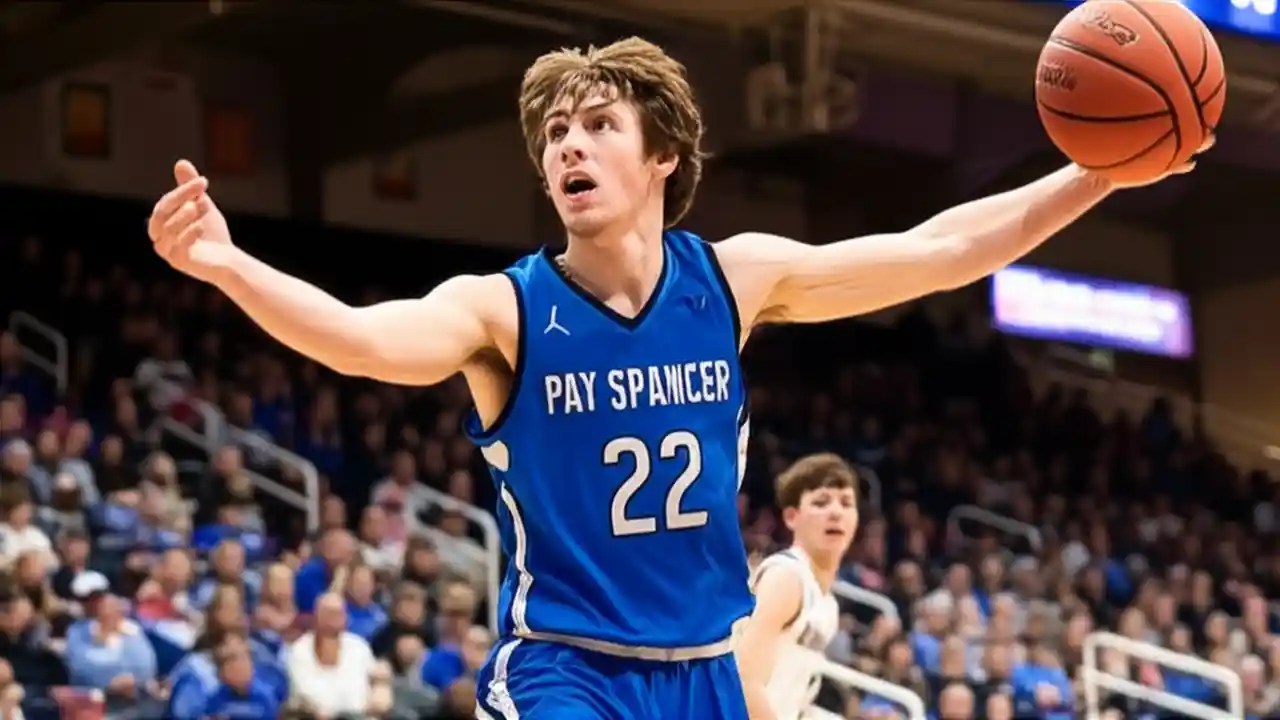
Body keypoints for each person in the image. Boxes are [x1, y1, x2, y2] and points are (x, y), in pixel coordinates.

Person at [145, 36, 1209, 720]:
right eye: (555, 132)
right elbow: (358, 341)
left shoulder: (732, 281)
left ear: (661, 158)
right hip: (565, 669)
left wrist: (1094, 171)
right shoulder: (503, 311)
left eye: (598, 124)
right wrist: (227, 264)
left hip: (702, 671)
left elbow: (940, 251)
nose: (569, 143)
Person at [735, 454, 860, 720]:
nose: (836, 512)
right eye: (821, 502)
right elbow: (744, 682)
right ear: (792, 517)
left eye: (846, 503)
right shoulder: (787, 578)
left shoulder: (827, 603)